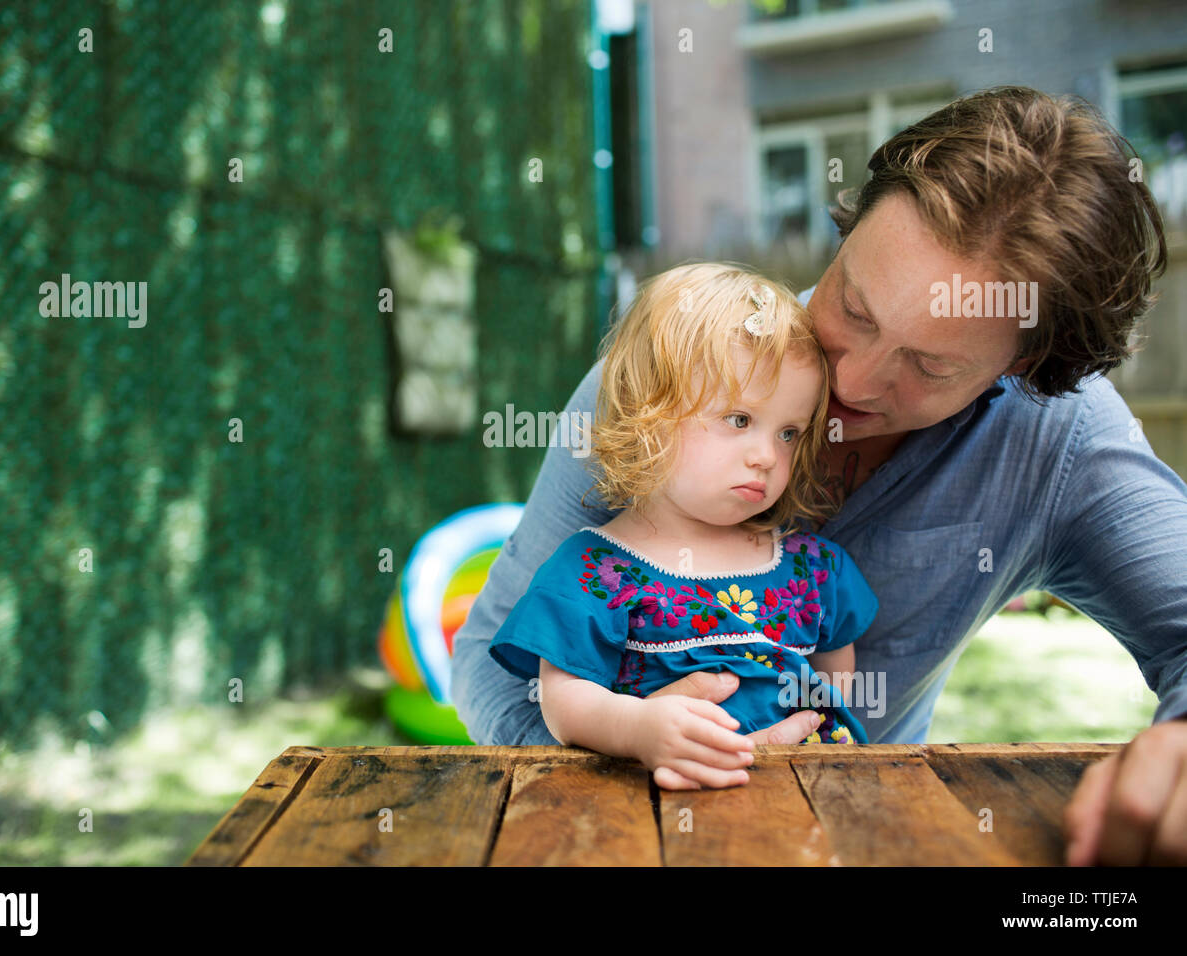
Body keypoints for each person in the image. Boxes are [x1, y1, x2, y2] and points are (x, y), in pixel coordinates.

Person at [452, 86, 1187, 865]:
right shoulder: (668, 383)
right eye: (855, 307)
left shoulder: (1059, 445)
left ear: (1022, 367)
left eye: (930, 366)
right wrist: (641, 756)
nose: (857, 382)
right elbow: (495, 666)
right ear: (848, 230)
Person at [488, 266, 879, 790]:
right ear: (647, 413)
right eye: (739, 420)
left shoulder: (809, 566)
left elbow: (836, 661)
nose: (766, 455)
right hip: (664, 812)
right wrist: (639, 730)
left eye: (788, 433)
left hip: (809, 799)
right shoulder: (595, 571)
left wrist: (824, 726)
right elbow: (563, 703)